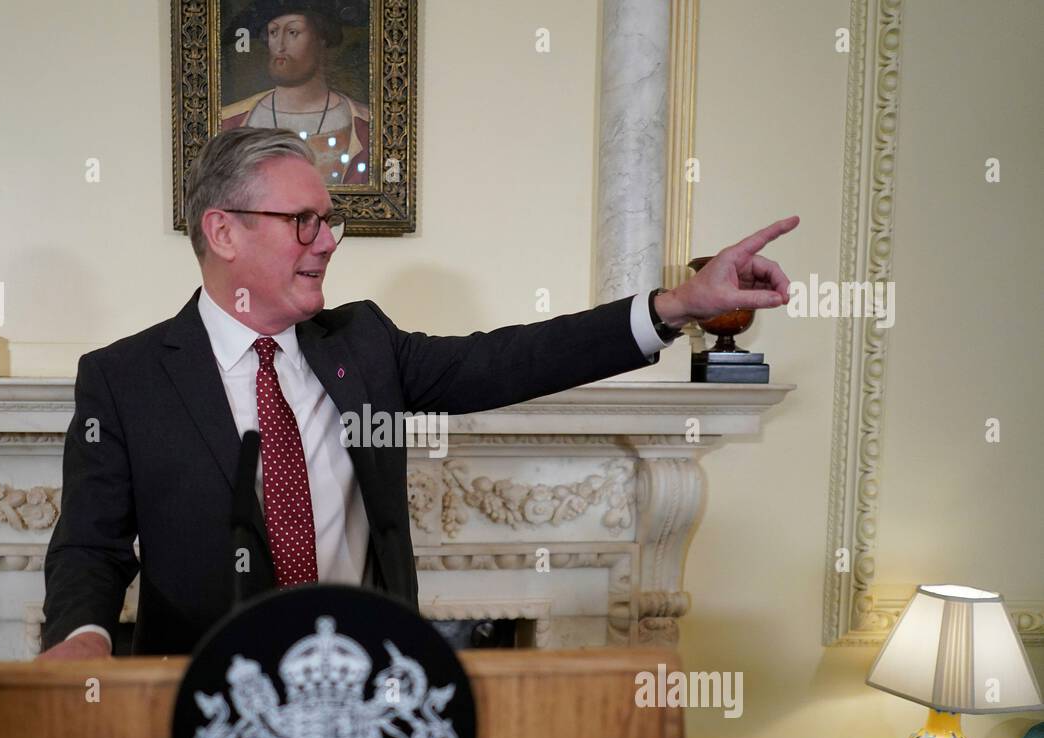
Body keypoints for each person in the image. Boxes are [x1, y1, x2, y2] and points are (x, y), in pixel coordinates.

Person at [39, 126, 797, 659]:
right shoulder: (126, 377)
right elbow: (91, 547)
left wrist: (674, 307)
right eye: (303, 221)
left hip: (365, 685)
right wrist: (81, 641)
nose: (328, 240)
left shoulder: (362, 346)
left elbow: (510, 360)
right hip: (201, 702)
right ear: (225, 232)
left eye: (328, 221)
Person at [220, 1, 370, 185]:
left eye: (293, 32)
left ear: (322, 39)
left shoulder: (366, 125)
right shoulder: (229, 122)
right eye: (273, 32)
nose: (279, 46)